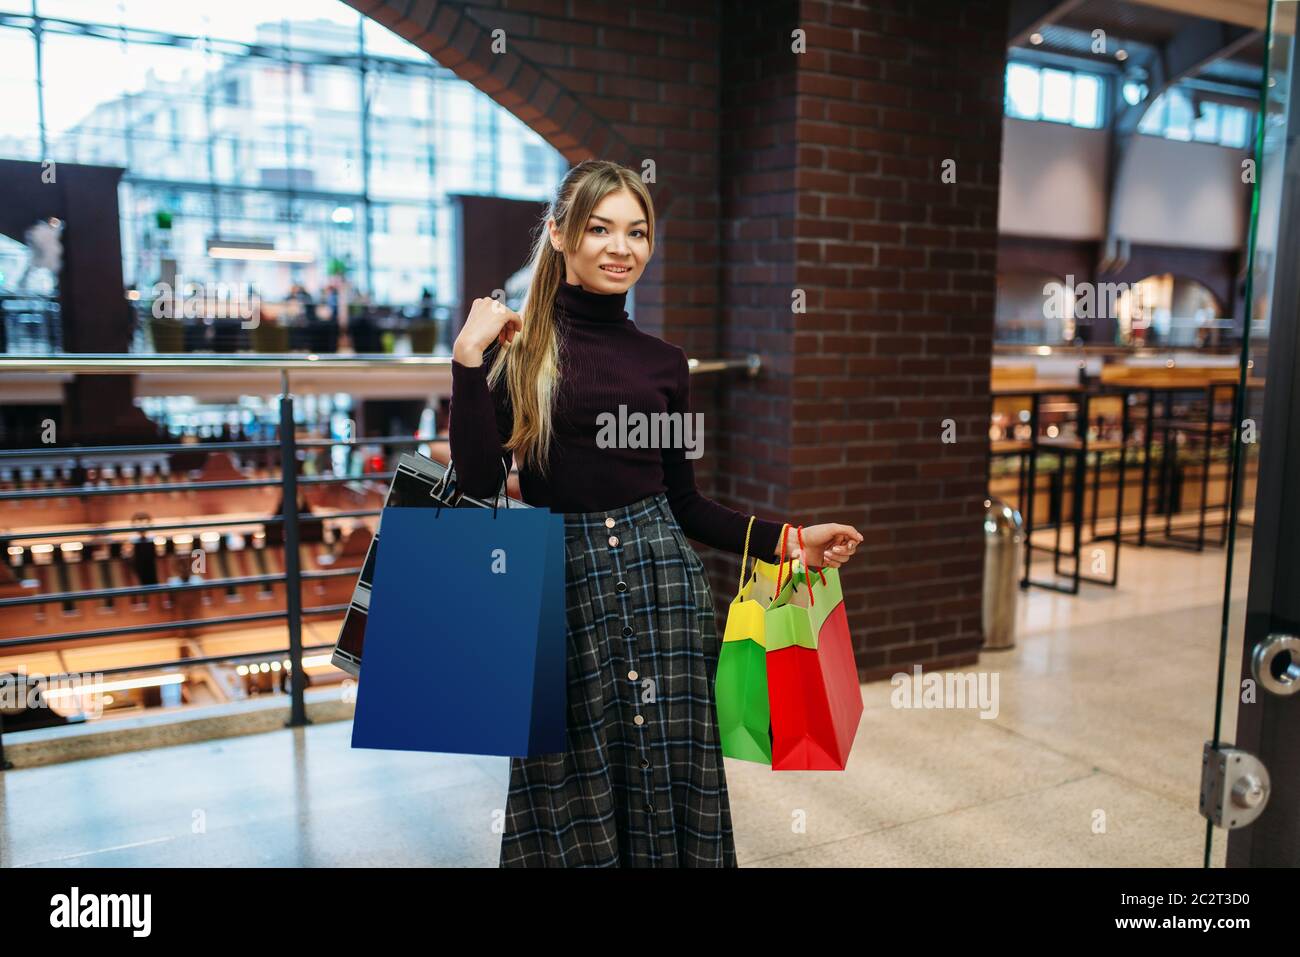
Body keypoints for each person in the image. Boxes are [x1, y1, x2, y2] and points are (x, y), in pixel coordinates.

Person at [448, 159, 863, 868]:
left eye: (637, 231)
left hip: (662, 588)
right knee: (563, 780)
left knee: (669, 776)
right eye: (600, 228)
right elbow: (478, 484)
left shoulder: (668, 364)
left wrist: (793, 542)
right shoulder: (523, 353)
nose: (622, 247)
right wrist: (465, 358)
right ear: (559, 234)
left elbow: (687, 503)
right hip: (562, 591)